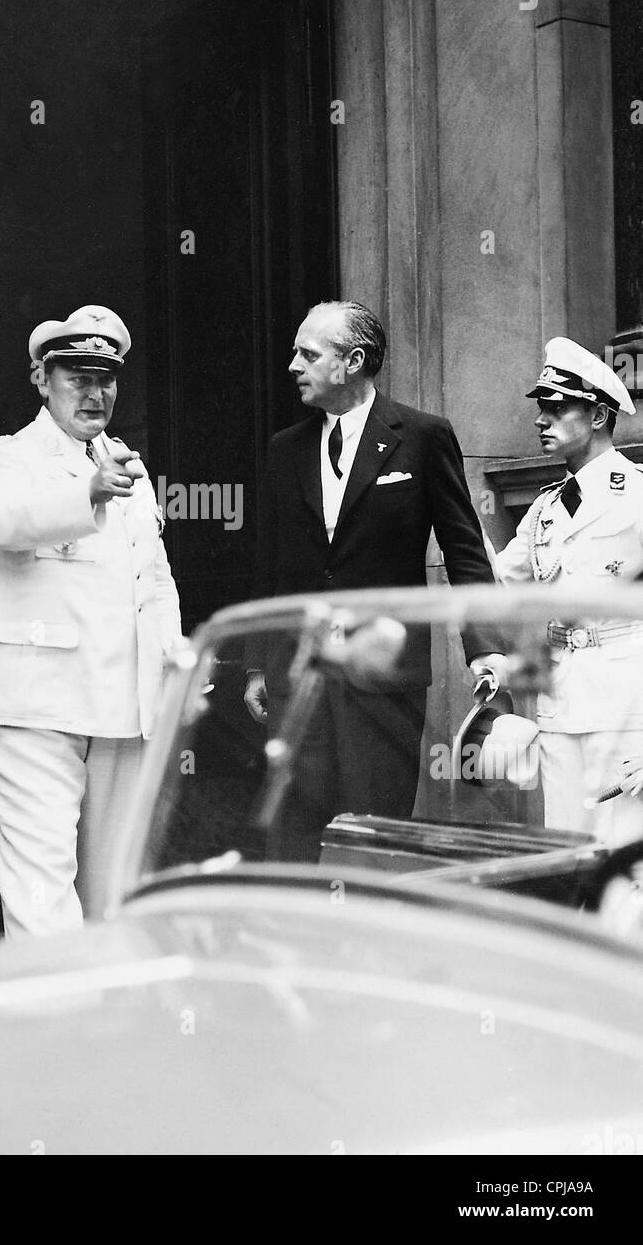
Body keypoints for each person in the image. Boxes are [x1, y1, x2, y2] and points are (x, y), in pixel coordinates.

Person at [244, 299, 502, 856]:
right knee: (294, 838)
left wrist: (484, 647)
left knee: (374, 837)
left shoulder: (423, 436)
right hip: (300, 677)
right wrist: (258, 663)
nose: (293, 365)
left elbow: (463, 548)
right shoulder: (285, 449)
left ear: (353, 361)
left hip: (384, 681)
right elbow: (271, 563)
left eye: (309, 354)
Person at [0, 305, 181, 935]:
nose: (95, 393)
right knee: (43, 899)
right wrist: (87, 490)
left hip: (125, 704)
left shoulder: (127, 464)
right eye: (78, 378)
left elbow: (152, 578)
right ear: (42, 379)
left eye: (105, 379)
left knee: (116, 893)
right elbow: (3, 522)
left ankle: (105, 1002)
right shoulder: (5, 457)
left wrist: (175, 660)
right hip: (32, 702)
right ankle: (53, 1004)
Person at [494, 337, 643, 846]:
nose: (542, 420)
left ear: (598, 416)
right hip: (561, 706)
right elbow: (496, 586)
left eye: (557, 408)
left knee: (627, 865)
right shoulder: (545, 509)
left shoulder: (638, 495)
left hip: (629, 711)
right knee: (566, 857)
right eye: (542, 408)